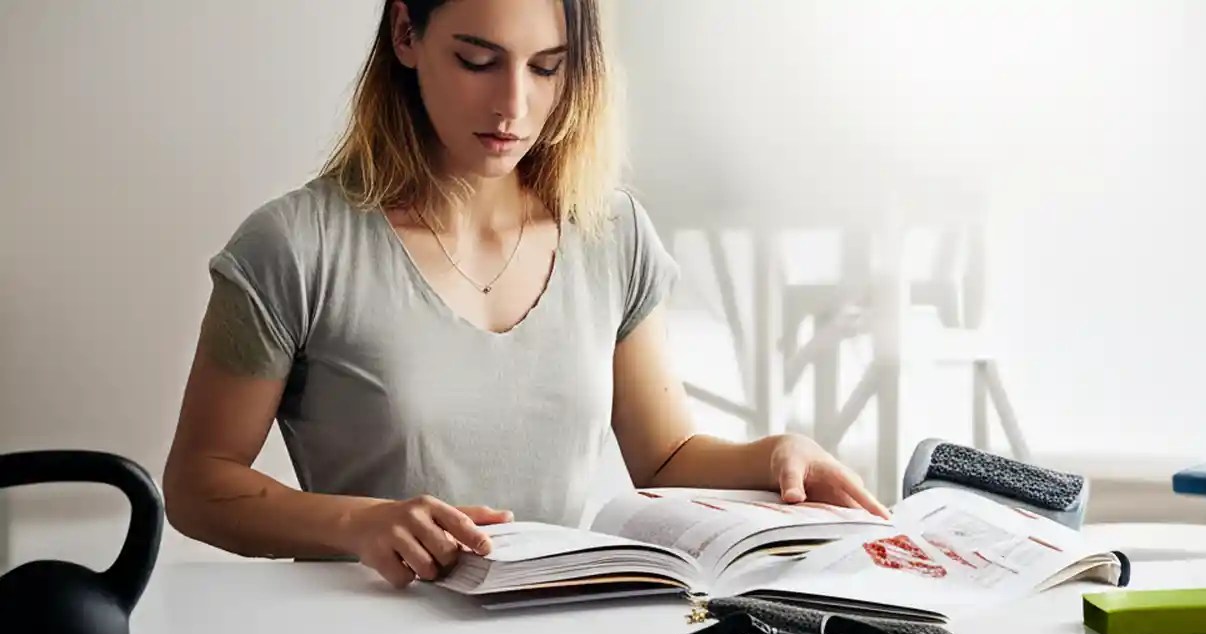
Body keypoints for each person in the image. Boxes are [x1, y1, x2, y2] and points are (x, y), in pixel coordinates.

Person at [162, 0, 890, 590]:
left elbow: (664, 459)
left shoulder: (610, 232)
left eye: (547, 67)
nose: (514, 103)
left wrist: (774, 454)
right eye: (477, 60)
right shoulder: (293, 246)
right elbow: (198, 485)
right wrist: (356, 524)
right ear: (406, 33)